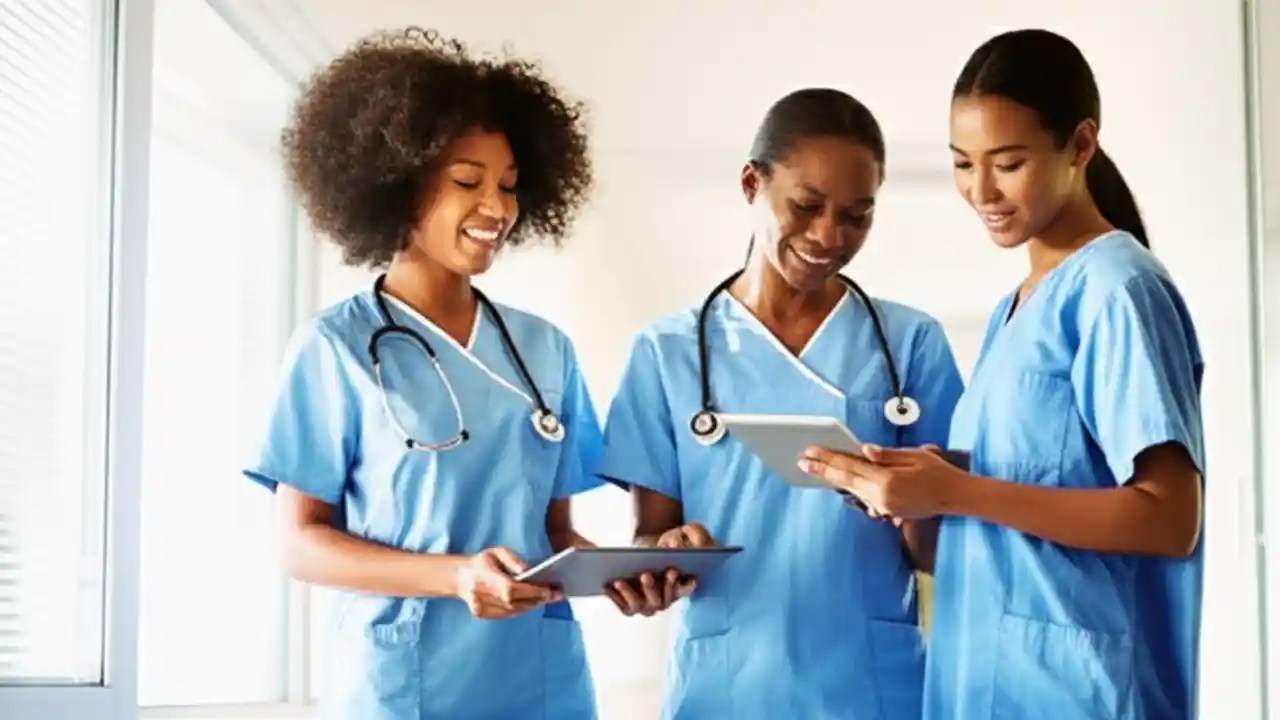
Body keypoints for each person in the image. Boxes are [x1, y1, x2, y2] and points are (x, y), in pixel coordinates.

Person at [799, 29, 1206, 720]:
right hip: (984, 683)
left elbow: (1170, 518)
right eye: (962, 164)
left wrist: (960, 489)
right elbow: (996, 527)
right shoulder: (1011, 312)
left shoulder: (1117, 289)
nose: (980, 190)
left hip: (1083, 693)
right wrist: (921, 500)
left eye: (1008, 162)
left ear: (1080, 145)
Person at [242, 27, 604, 719]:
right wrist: (453, 577)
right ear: (400, 186)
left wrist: (625, 574)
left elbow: (554, 535)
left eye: (508, 185)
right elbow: (300, 545)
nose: (496, 209)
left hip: (540, 681)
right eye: (467, 182)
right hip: (404, 682)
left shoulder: (545, 350)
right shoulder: (336, 348)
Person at [595, 87, 965, 719]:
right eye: (806, 204)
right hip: (726, 688)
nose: (829, 234)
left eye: (856, 215)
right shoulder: (668, 352)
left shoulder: (911, 345)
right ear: (750, 184)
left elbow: (940, 551)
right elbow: (653, 537)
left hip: (872, 687)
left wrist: (910, 506)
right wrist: (659, 564)